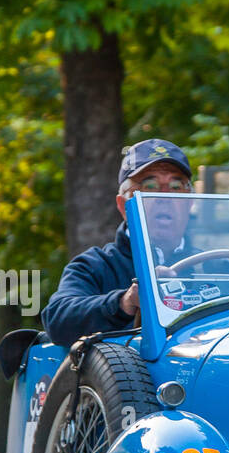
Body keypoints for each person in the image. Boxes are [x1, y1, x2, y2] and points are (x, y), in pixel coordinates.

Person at [41, 138, 198, 346]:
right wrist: (124, 302)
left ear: (190, 203)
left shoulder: (219, 267)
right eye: (149, 185)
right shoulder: (95, 267)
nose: (165, 196)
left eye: (176, 186)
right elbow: (57, 318)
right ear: (123, 205)